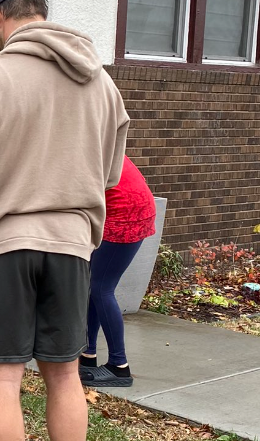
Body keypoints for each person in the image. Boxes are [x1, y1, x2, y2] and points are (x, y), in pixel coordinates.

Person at [0, 0, 129, 441]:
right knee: (64, 375)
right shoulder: (101, 82)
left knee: (3, 379)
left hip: (1, 246)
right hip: (71, 245)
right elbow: (110, 175)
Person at [79, 156, 155, 387]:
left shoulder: (80, 144)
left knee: (102, 288)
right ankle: (87, 354)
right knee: (94, 286)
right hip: (133, 209)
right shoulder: (99, 137)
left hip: (125, 216)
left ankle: (119, 367)